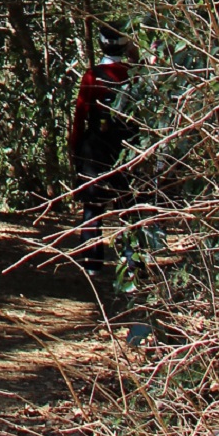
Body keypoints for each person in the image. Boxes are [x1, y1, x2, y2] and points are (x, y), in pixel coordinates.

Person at [69, 23, 140, 272]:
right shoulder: (134, 74)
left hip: (95, 148)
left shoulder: (92, 75)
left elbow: (80, 115)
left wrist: (75, 147)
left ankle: (92, 261)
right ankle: (131, 259)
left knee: (93, 204)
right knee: (128, 204)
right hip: (127, 147)